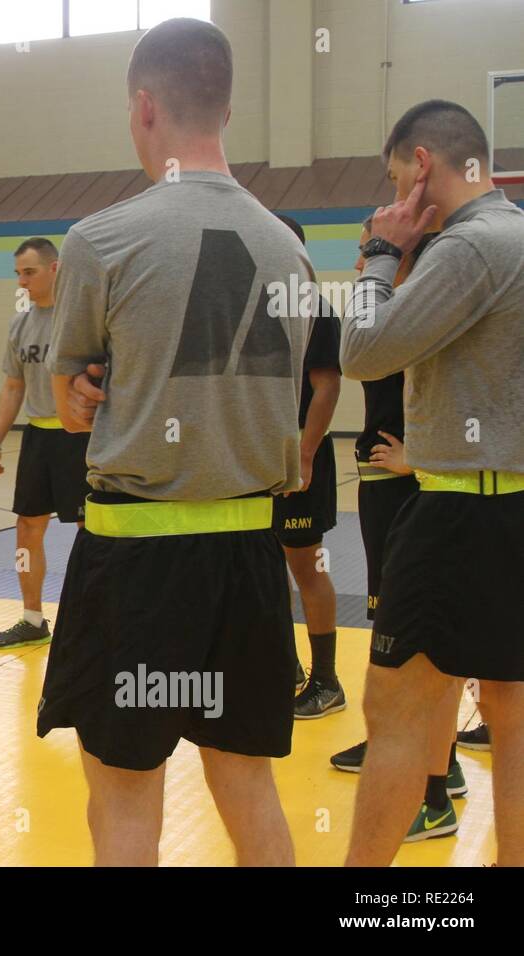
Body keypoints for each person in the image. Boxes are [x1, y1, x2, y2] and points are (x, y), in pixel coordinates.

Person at [37, 18, 308, 866]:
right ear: (226, 109)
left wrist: (84, 389)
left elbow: (71, 399)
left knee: (123, 806)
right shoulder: (291, 250)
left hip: (138, 565)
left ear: (145, 105)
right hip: (250, 564)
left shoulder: (101, 239)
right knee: (251, 795)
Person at [340, 100, 524, 866]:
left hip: (457, 518)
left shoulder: (469, 246)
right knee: (511, 719)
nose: (392, 199)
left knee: (396, 718)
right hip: (508, 505)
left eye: (394, 179)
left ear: (422, 166)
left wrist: (382, 253)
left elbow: (362, 350)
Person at [328, 220, 469, 843]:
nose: (364, 263)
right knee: (409, 643)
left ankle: (431, 785)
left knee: (415, 646)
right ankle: (424, 765)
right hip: (384, 487)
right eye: (364, 253)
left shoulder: (415, 315)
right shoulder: (388, 313)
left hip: (408, 489)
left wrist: (422, 459)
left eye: (374, 253)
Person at [0, 237, 87, 649]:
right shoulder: (20, 322)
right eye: (18, 273)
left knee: (90, 530)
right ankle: (32, 618)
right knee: (27, 527)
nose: (22, 280)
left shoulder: (80, 319)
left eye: (29, 272)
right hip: (38, 438)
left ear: (55, 269)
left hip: (79, 437)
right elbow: (13, 386)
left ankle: (91, 617)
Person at [270, 215, 344, 719]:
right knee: (265, 561)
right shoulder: (260, 309)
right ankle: (286, 666)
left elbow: (327, 385)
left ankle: (326, 680)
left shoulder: (315, 306)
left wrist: (304, 453)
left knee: (306, 563)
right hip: (259, 460)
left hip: (299, 458)